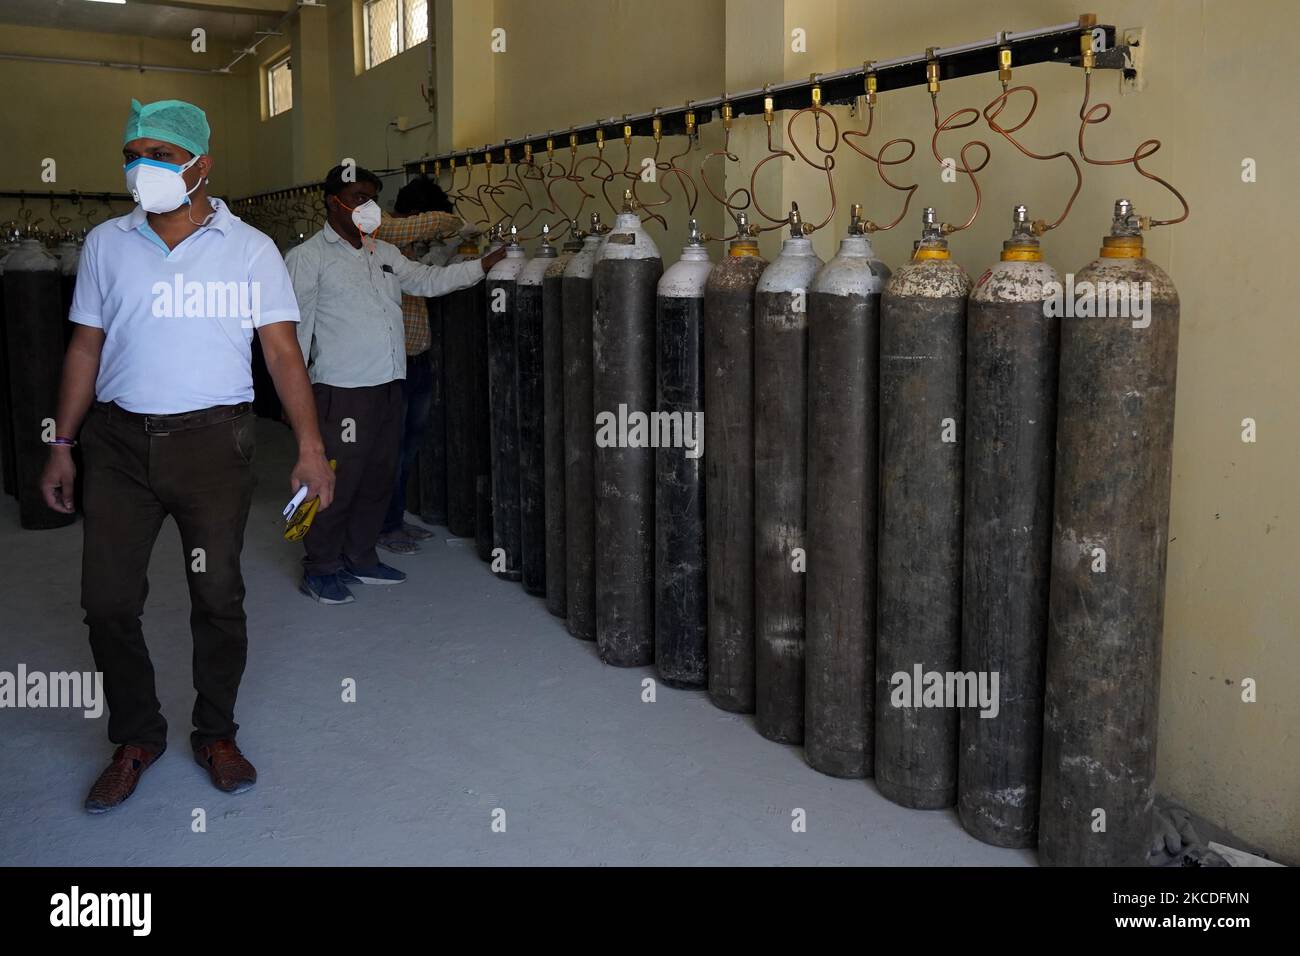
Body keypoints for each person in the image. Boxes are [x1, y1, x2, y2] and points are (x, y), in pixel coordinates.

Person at [40, 98, 335, 813]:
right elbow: (86, 346)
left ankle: (216, 733)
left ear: (201, 165)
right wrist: (61, 444)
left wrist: (311, 447)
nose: (144, 168)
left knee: (217, 596)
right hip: (117, 446)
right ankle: (136, 737)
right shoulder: (109, 244)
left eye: (162, 155)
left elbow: (282, 354)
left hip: (214, 445)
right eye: (133, 153)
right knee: (107, 602)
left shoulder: (250, 249)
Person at [286, 164, 505, 605]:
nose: (367, 206)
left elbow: (426, 279)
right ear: (333, 201)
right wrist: (303, 402)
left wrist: (482, 266)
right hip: (340, 390)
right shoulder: (307, 258)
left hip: (390, 382)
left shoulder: (382, 251)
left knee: (378, 476)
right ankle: (320, 566)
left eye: (372, 198)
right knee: (333, 481)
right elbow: (292, 335)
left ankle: (360, 556)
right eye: (358, 197)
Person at [376, 176, 462, 555]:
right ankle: (383, 525)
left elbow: (424, 281)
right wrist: (451, 222)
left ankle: (395, 520)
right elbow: (400, 228)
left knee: (408, 448)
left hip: (419, 361)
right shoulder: (380, 232)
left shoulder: (406, 249)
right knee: (389, 450)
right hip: (391, 367)